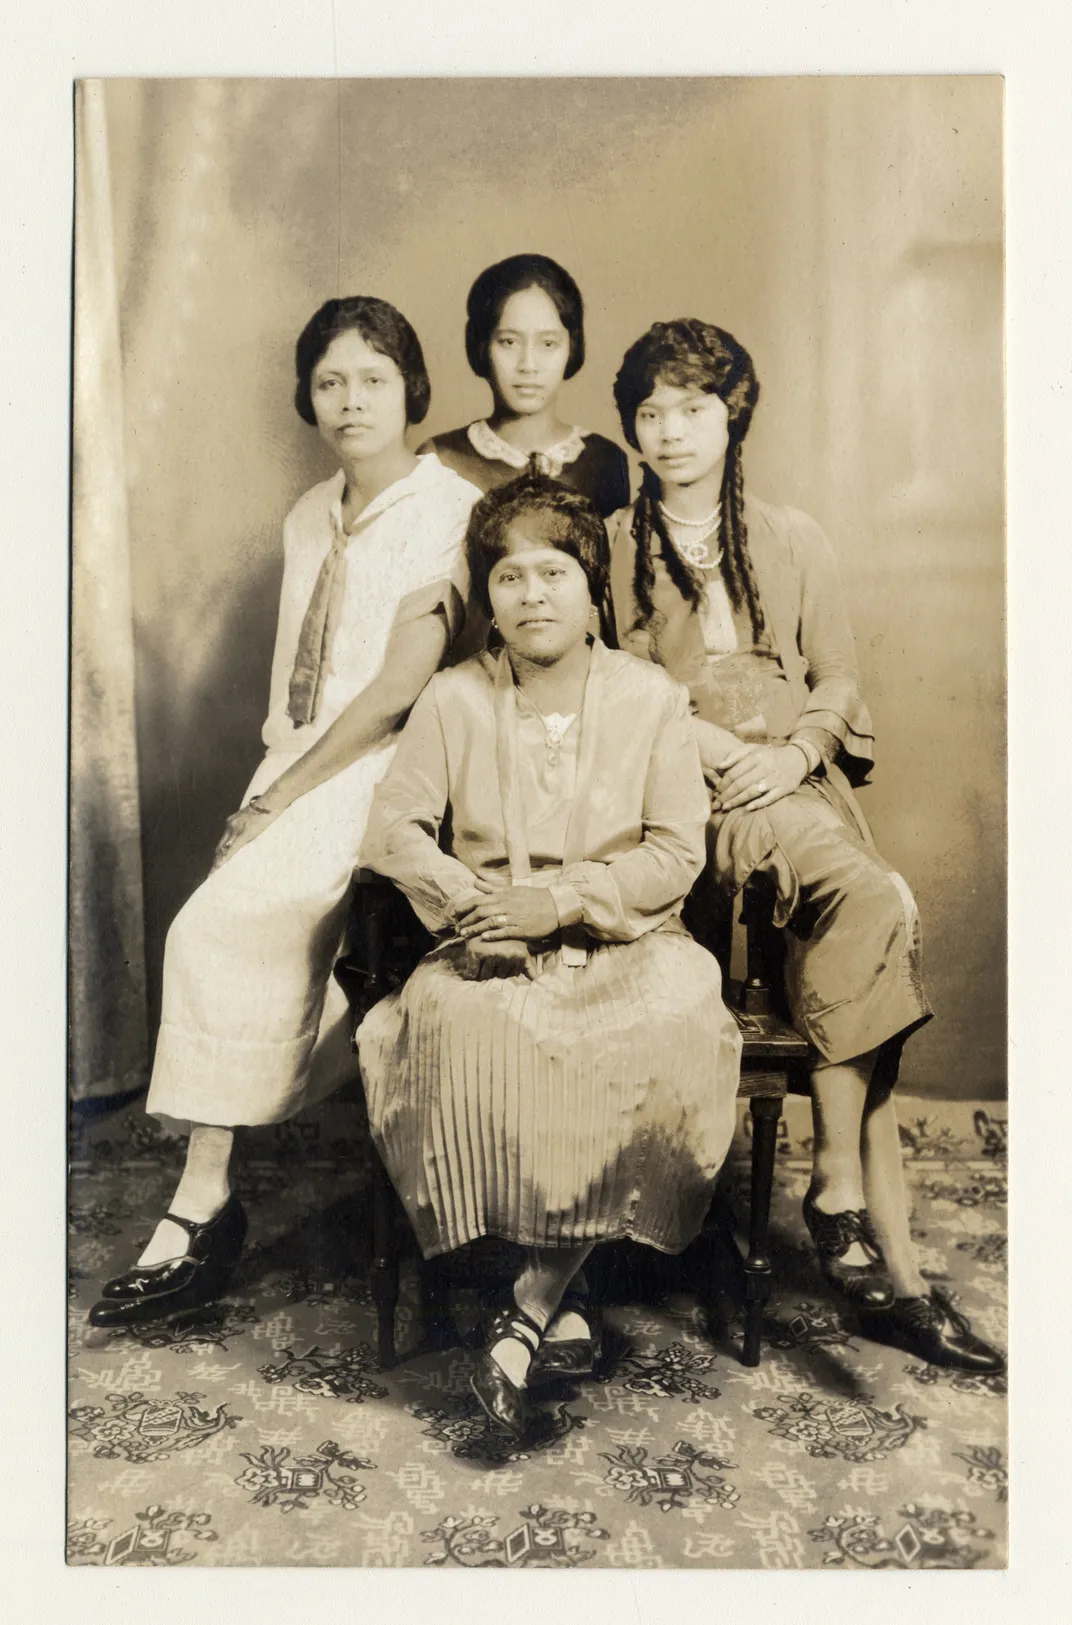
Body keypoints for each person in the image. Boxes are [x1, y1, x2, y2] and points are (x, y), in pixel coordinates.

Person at [606, 318, 1003, 1374]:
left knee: (868, 923)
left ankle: (882, 1254)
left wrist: (794, 751)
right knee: (870, 905)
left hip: (793, 785)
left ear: (733, 416)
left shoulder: (792, 538)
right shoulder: (610, 542)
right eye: (650, 411)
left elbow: (836, 676)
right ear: (633, 429)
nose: (671, 429)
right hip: (683, 794)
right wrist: (708, 744)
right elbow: (607, 683)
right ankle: (849, 1213)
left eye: (694, 407)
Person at [89, 297, 482, 1331]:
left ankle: (201, 1202)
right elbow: (296, 690)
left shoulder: (450, 509)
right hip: (302, 759)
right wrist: (273, 782)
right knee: (224, 925)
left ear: (412, 390)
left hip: (392, 766)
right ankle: (208, 1195)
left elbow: (395, 691)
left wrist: (280, 799)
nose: (352, 401)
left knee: (218, 927)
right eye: (330, 382)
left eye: (374, 380)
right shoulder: (309, 513)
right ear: (307, 397)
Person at [356, 472, 742, 1436]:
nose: (533, 595)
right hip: (489, 935)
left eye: (554, 573)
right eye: (509, 577)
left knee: (662, 1022)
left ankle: (528, 1308)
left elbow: (676, 851)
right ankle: (566, 1294)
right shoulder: (453, 698)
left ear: (592, 586)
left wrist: (562, 901)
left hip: (627, 937)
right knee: (465, 1024)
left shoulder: (652, 697)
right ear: (487, 596)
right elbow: (394, 830)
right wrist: (475, 902)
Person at [420, 253, 630, 517]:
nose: (528, 365)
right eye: (509, 342)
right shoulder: (441, 458)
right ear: (482, 347)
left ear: (572, 348)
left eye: (548, 344)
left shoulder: (605, 460)